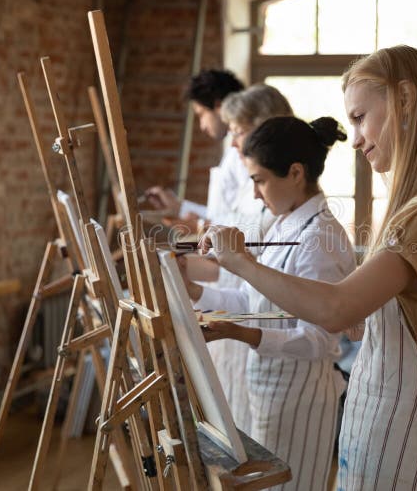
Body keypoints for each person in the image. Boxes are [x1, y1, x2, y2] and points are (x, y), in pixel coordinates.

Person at [198, 45, 417, 490]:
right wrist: (387, 321)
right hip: (389, 419)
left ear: (405, 101)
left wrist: (241, 262)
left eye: (361, 117)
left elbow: (336, 310)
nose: (357, 138)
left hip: (403, 429)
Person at [181, 116, 356, 490]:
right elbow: (255, 299)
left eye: (260, 180)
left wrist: (241, 332)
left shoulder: (320, 237)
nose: (256, 195)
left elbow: (318, 341)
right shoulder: (286, 223)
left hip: (302, 400)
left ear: (295, 173)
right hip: (270, 391)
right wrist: (195, 291)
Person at [198, 84, 294, 433]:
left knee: (250, 435)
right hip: (236, 308)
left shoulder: (274, 190)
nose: (233, 142)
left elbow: (248, 257)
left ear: (265, 127)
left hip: (257, 325)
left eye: (239, 132)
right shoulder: (249, 184)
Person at [145, 69, 244, 227]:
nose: (202, 126)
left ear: (219, 106)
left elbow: (249, 224)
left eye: (201, 114)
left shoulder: (244, 154)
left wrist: (199, 225)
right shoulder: (232, 151)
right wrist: (179, 207)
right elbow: (220, 215)